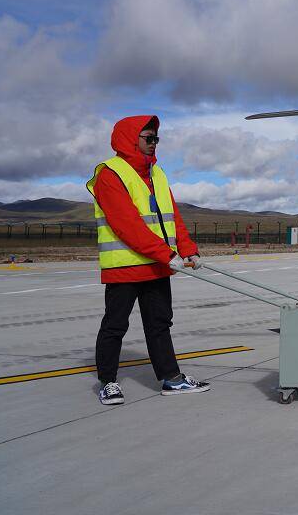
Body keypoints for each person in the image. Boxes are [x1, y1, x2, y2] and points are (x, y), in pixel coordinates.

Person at [87, 115, 211, 405]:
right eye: (148, 138)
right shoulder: (111, 174)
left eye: (156, 138)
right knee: (115, 325)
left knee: (159, 324)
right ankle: (108, 382)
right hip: (126, 266)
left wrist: (189, 249)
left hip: (157, 265)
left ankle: (171, 378)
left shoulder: (157, 174)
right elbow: (126, 225)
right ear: (131, 139)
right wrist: (167, 254)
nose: (154, 144)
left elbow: (171, 218)